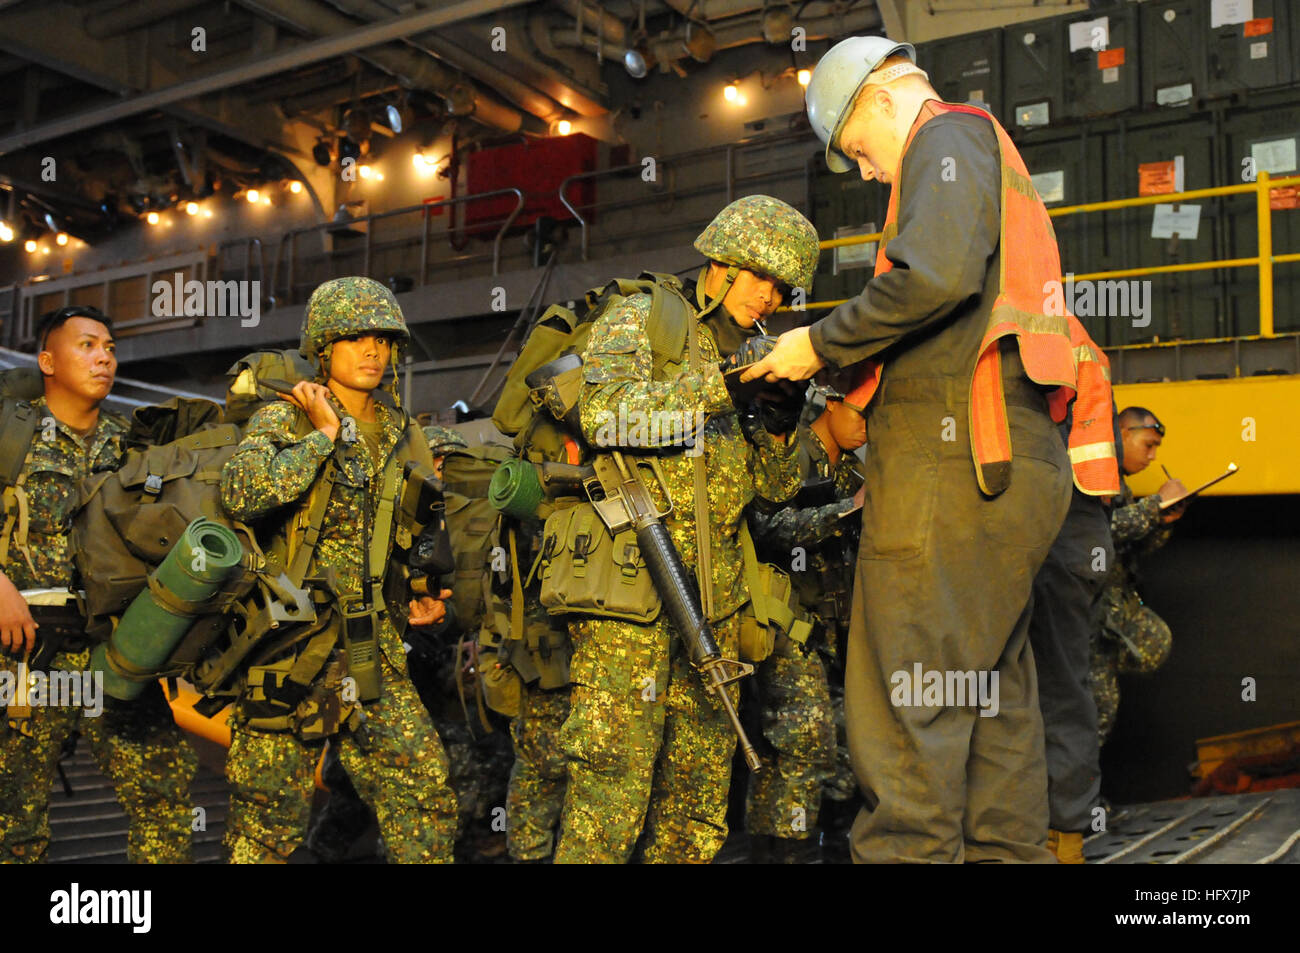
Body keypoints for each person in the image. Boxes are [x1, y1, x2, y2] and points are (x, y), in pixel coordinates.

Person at [744, 36, 1117, 863]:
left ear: (881, 97)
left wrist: (818, 345)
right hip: (1010, 471)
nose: (870, 172)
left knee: (904, 707)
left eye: (857, 150)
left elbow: (934, 277)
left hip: (952, 471)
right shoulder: (982, 147)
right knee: (992, 703)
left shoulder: (945, 139)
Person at [553, 195, 816, 863]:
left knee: (694, 815)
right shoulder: (645, 316)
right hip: (633, 601)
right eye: (760, 277)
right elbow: (606, 416)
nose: (769, 297)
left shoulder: (755, 353)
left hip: (715, 606)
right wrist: (723, 389)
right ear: (720, 262)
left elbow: (775, 491)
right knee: (607, 811)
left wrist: (782, 423)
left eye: (781, 288)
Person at [219, 276, 459, 863]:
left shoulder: (402, 432)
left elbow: (413, 530)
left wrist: (422, 589)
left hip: (369, 646)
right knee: (266, 824)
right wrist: (324, 436)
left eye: (382, 338)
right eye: (354, 338)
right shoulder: (287, 419)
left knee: (424, 796)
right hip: (289, 646)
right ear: (324, 347)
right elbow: (244, 492)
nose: (372, 350)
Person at [0, 306, 197, 863]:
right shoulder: (11, 435)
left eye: (109, 346)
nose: (104, 357)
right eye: (86, 345)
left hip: (116, 648)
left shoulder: (133, 445)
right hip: (24, 654)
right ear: (47, 361)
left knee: (166, 795)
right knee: (14, 816)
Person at [745, 382, 866, 863]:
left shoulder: (852, 470)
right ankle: (784, 852)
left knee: (842, 746)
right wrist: (846, 513)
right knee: (804, 743)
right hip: (788, 625)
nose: (865, 424)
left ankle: (832, 844)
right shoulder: (791, 458)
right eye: (860, 411)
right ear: (831, 402)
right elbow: (765, 525)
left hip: (839, 631)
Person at [1092, 407, 1186, 745]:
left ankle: (1079, 794)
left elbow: (1130, 546)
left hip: (1107, 617)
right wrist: (1154, 506)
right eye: (1148, 445)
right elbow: (1098, 532)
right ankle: (1074, 797)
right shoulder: (1093, 476)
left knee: (1099, 708)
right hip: (1085, 618)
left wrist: (1163, 520)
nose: (1153, 455)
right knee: (1095, 712)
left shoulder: (1118, 483)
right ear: (1123, 433)